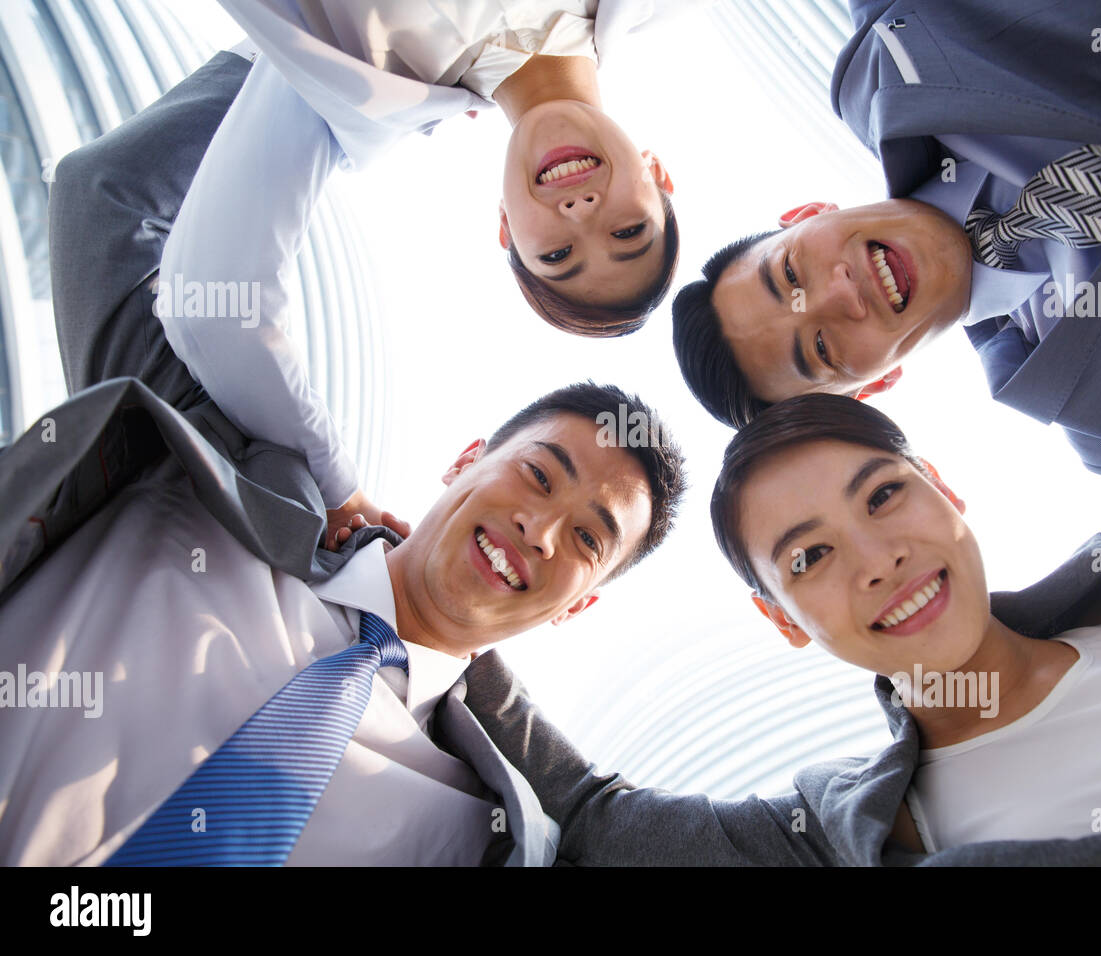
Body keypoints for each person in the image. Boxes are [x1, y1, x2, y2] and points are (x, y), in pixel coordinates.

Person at [0, 50, 686, 866]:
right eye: (540, 475)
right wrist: (367, 63)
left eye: (586, 540)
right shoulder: (212, 462)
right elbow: (109, 199)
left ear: (581, 606)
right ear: (465, 459)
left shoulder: (481, 827)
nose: (540, 529)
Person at [459, 393, 1101, 865]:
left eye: (884, 496)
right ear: (782, 622)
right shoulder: (840, 832)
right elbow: (594, 817)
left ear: (945, 491)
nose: (879, 559)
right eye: (810, 556)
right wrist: (436, 614)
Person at [671, 0, 1101, 570]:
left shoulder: (895, 43)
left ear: (806, 215)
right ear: (877, 383)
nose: (840, 296)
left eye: (788, 275)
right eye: (822, 350)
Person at [153, 0, 689, 541]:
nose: (581, 214)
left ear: (506, 225)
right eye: (628, 233)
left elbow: (210, 303)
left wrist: (338, 489)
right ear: (657, 173)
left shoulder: (367, 82)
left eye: (557, 257)